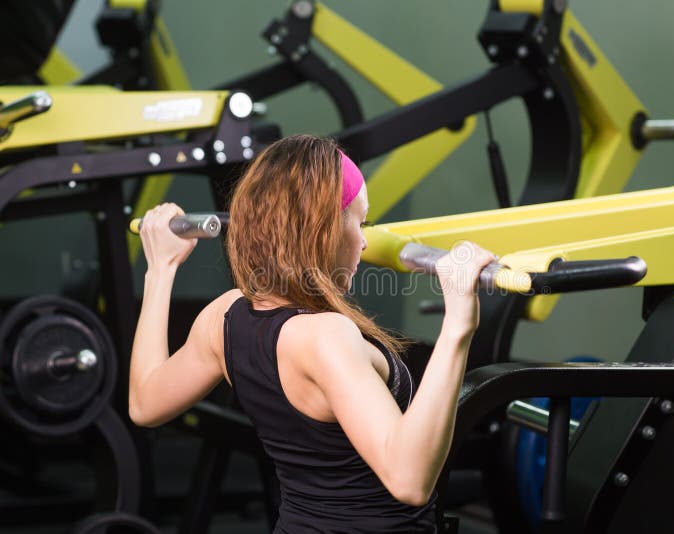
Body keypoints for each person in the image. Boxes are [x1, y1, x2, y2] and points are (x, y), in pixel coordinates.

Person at [128, 134, 496, 533]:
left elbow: (145, 402)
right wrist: (459, 323)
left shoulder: (225, 316)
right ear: (323, 229)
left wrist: (160, 270)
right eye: (361, 221)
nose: (366, 239)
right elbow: (409, 480)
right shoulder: (326, 338)